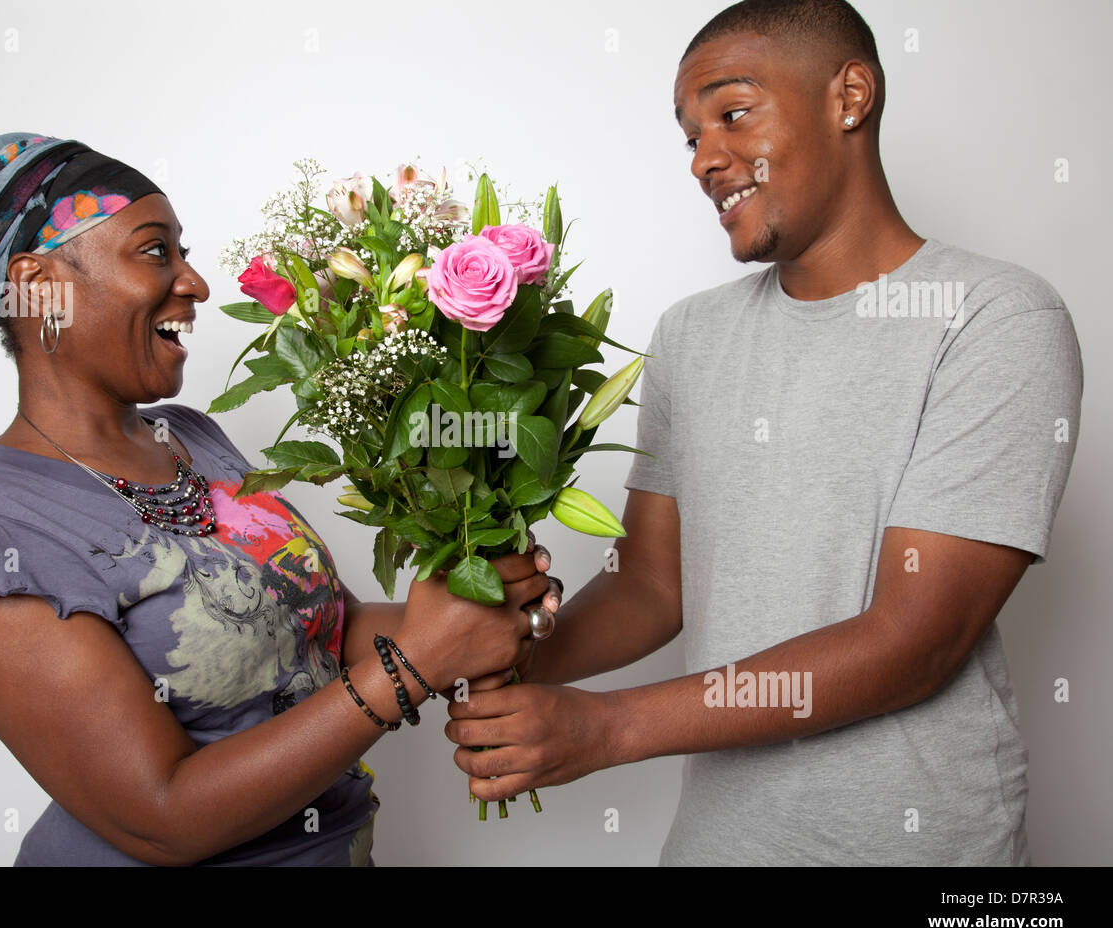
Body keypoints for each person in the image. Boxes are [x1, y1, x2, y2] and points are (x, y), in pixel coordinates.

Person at [444, 0, 1084, 866]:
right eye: (690, 136)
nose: (706, 157)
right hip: (718, 843)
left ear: (849, 96)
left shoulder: (996, 317)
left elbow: (917, 639)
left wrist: (611, 728)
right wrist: (515, 657)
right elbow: (651, 590)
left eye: (732, 112)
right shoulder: (691, 334)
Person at [0, 132, 561, 866]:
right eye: (156, 251)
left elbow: (316, 630)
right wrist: (412, 662)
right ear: (37, 285)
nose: (196, 283)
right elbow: (163, 817)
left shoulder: (189, 439)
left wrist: (474, 617)